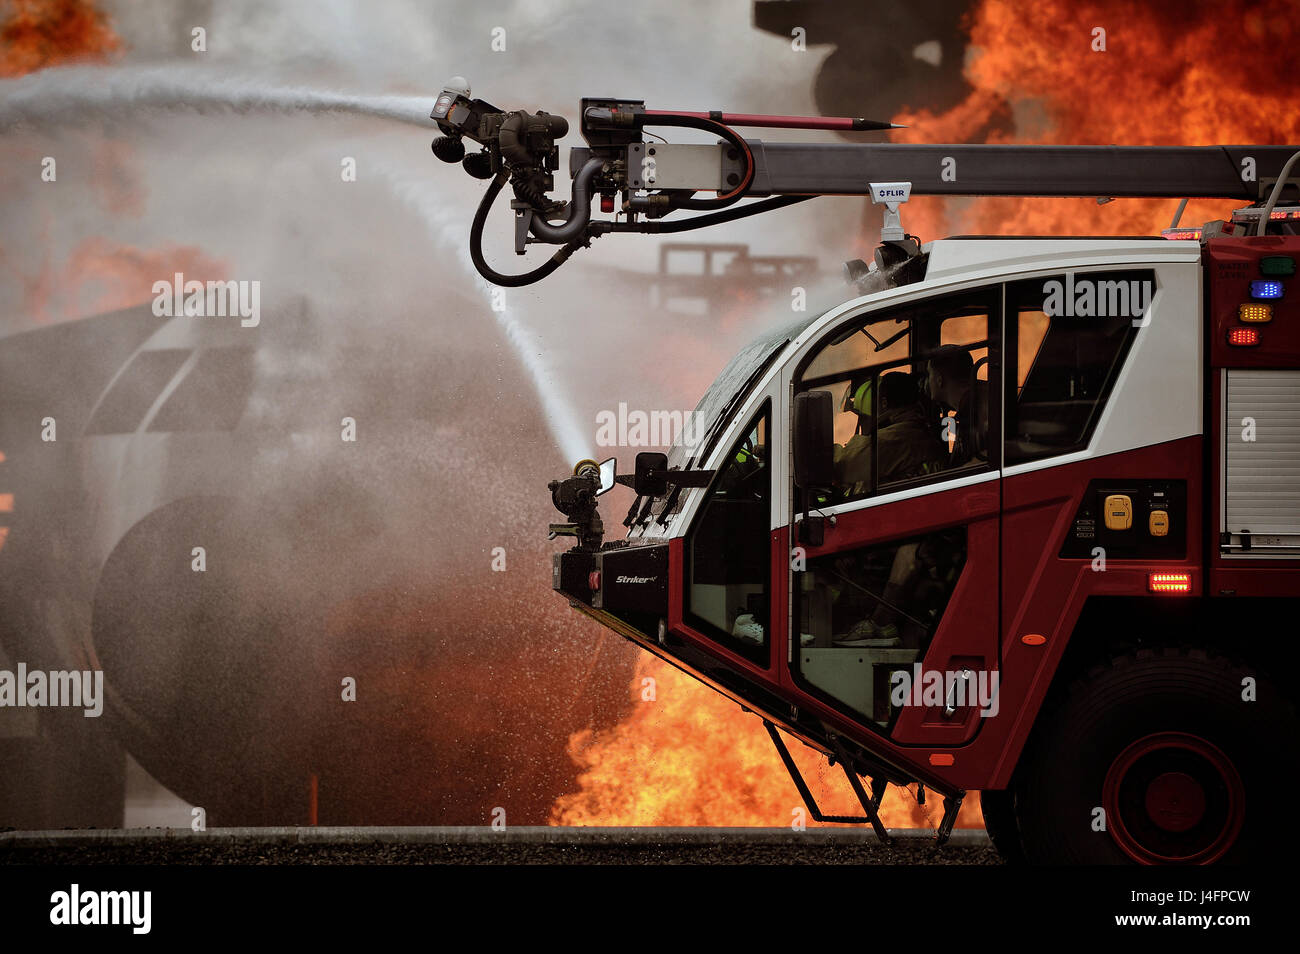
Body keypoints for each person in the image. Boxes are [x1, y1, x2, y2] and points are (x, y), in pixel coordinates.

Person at [833, 371, 942, 497]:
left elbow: (842, 464)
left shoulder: (895, 439)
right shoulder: (915, 429)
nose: (863, 427)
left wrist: (815, 452)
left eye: (862, 419)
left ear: (884, 403)